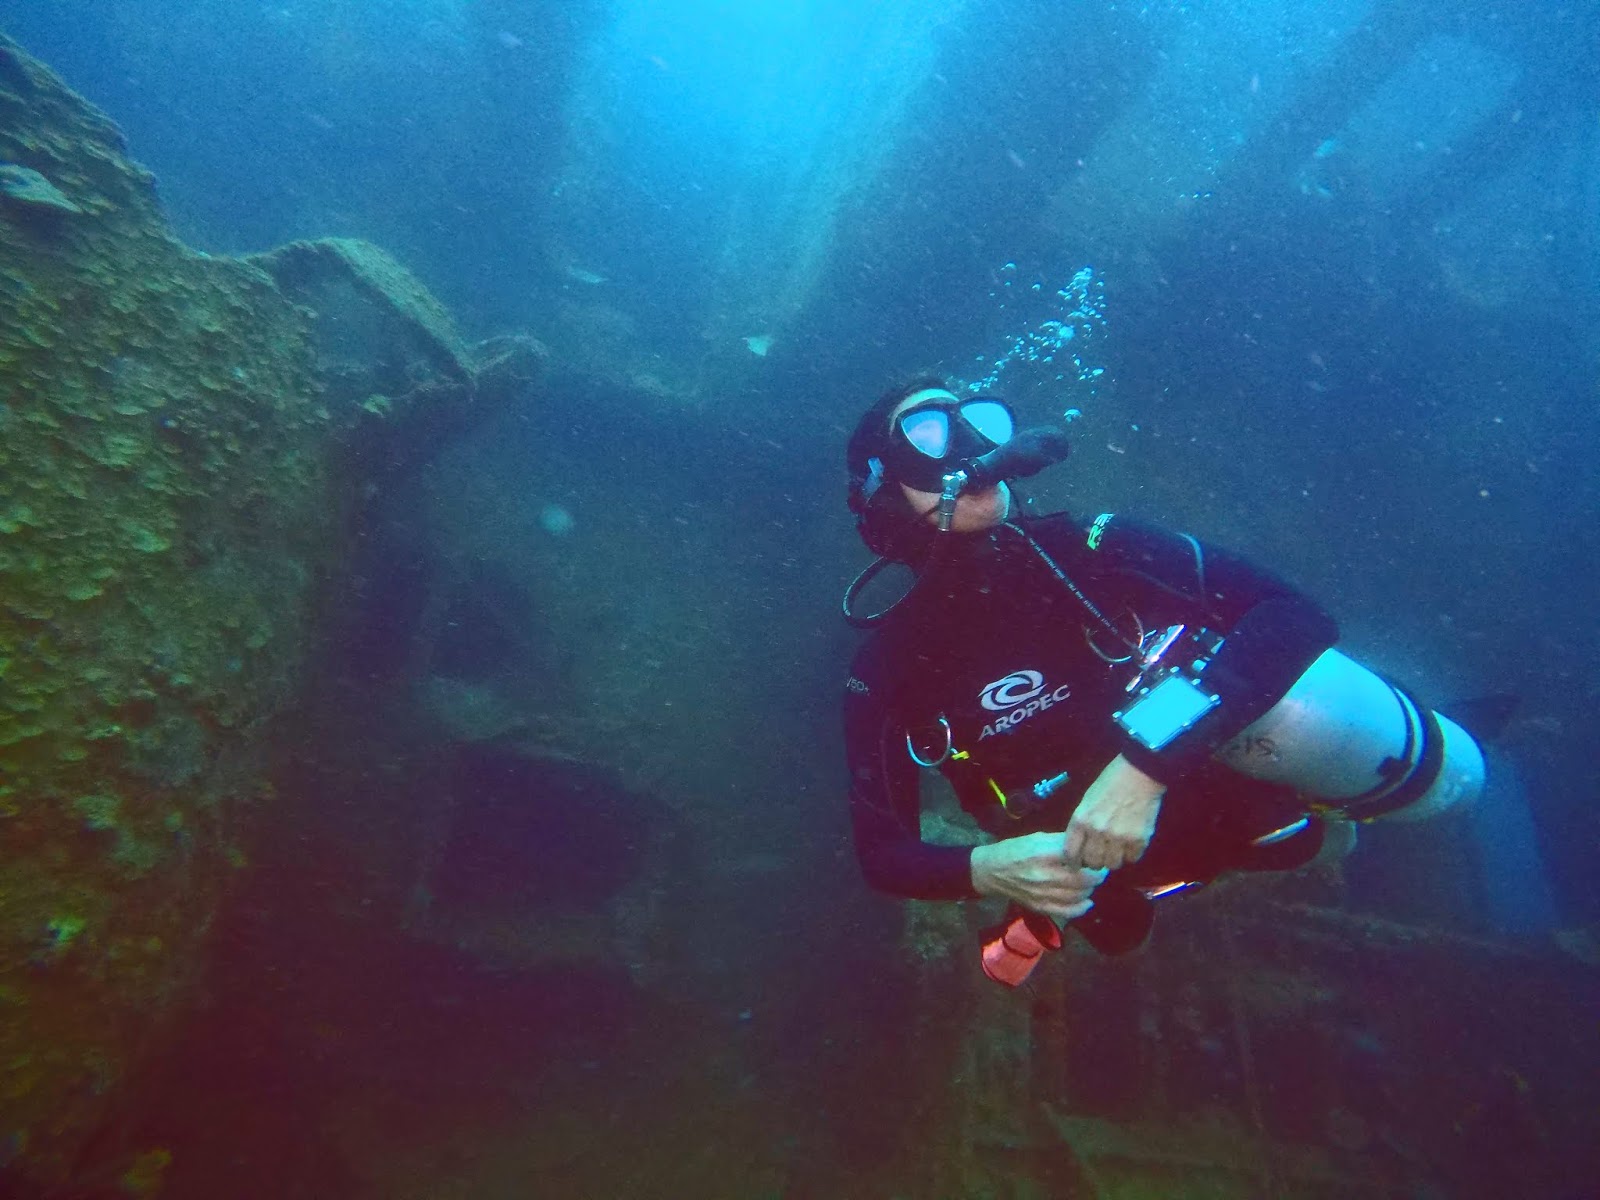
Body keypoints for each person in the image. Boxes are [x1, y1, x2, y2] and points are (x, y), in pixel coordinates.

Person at [840, 379, 1482, 985]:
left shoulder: (1096, 547)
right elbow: (882, 853)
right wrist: (984, 869)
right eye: (927, 435)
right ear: (886, 494)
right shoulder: (886, 668)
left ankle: (1351, 810)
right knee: (1118, 931)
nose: (971, 446)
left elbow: (1294, 616)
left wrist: (1141, 767)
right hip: (1112, 867)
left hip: (1235, 788)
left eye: (975, 422)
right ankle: (1042, 919)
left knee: (1291, 838)